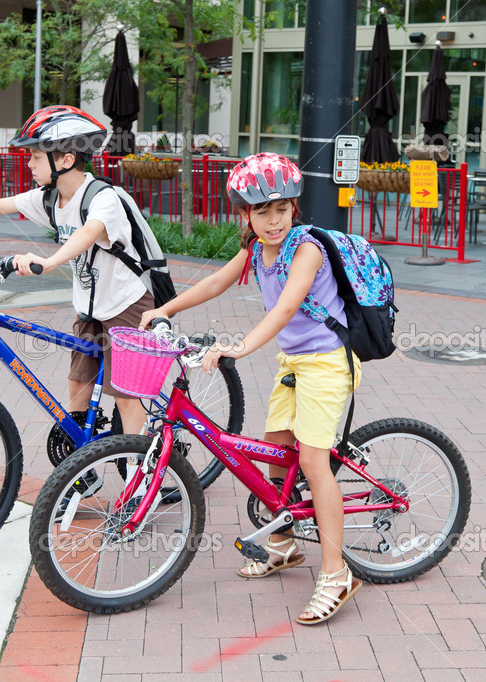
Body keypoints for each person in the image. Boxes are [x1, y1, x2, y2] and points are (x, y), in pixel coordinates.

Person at [139, 153, 362, 625]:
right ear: (247, 214)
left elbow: (283, 311)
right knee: (274, 453)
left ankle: (336, 572)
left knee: (311, 460)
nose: (273, 219)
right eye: (262, 211)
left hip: (326, 365)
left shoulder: (306, 250)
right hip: (295, 364)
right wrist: (167, 310)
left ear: (293, 208)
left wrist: (238, 348)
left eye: (281, 208)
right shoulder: (255, 248)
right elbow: (217, 282)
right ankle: (281, 545)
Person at [0, 105, 153, 436]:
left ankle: (138, 478)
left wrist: (50, 262)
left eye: (36, 157)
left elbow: (89, 232)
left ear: (66, 160)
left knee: (127, 399)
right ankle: (81, 461)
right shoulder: (50, 199)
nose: (29, 163)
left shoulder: (102, 198)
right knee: (78, 385)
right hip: (91, 308)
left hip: (127, 306)